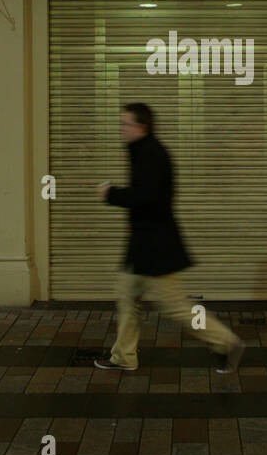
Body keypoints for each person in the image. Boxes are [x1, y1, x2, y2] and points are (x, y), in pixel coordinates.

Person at [94, 103, 246, 373]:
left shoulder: (152, 154)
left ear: (142, 127)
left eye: (126, 123)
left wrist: (112, 194)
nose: (122, 129)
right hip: (142, 247)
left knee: (177, 308)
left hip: (155, 249)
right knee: (127, 299)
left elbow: (147, 197)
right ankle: (123, 357)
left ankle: (226, 342)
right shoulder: (142, 152)